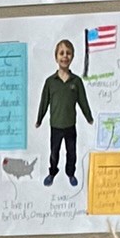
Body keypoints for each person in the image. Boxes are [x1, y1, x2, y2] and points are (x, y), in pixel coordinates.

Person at [36, 39, 93, 189]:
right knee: (54, 152)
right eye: (61, 53)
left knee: (71, 153)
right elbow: (44, 102)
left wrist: (89, 117)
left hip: (70, 126)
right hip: (55, 126)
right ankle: (52, 172)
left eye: (68, 53)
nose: (65, 56)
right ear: (56, 57)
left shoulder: (77, 81)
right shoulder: (50, 82)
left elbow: (83, 101)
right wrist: (39, 119)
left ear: (72, 57)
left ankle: (70, 173)